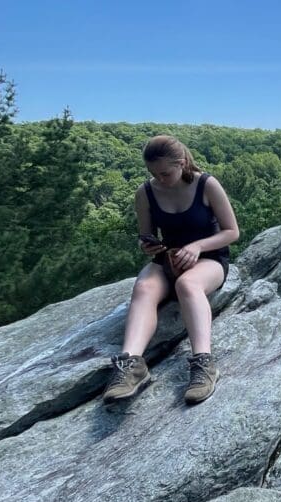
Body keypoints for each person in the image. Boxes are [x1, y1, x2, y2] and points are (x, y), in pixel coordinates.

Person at [103, 135, 240, 405]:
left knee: (187, 285)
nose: (160, 179)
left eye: (165, 173)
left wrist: (198, 247)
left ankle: (204, 364)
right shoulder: (146, 192)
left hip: (209, 259)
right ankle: (131, 365)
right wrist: (147, 246)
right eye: (154, 173)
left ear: (182, 162)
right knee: (143, 288)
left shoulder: (206, 184)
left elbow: (232, 232)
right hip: (167, 259)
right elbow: (145, 235)